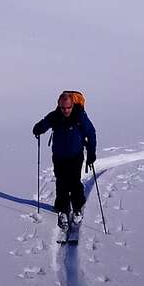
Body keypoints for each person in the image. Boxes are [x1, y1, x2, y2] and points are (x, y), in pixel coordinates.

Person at [33, 91, 97, 230]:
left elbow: (91, 133)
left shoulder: (80, 116)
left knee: (74, 181)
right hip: (59, 156)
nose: (66, 110)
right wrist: (38, 129)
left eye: (68, 107)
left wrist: (91, 153)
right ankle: (62, 209)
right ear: (59, 105)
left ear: (72, 105)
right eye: (63, 108)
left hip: (75, 155)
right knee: (61, 182)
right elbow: (44, 123)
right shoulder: (55, 116)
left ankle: (77, 208)